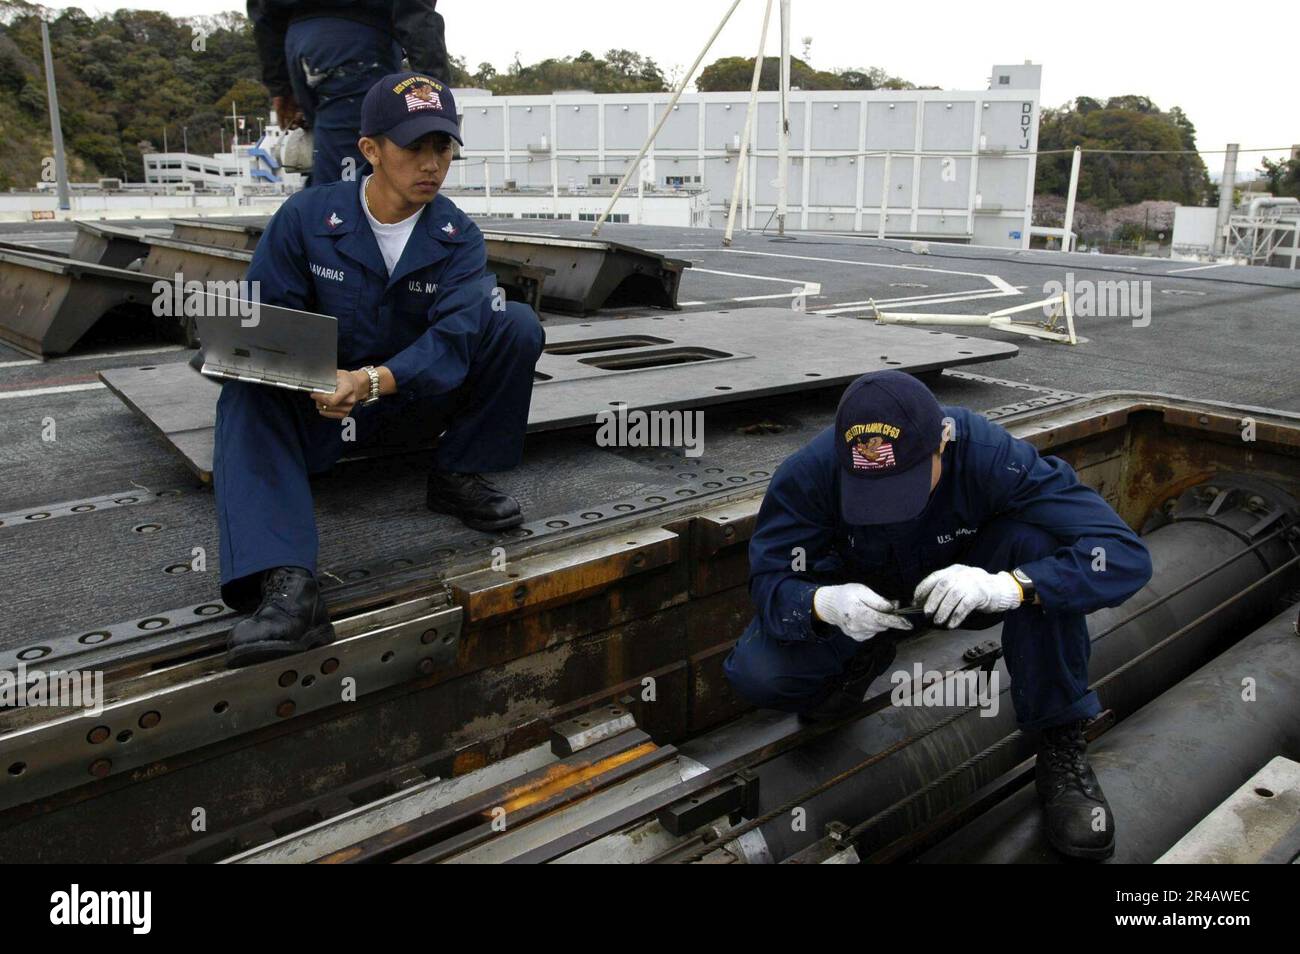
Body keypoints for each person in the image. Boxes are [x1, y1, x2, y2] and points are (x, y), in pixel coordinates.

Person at [722, 370, 1153, 860]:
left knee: (1041, 549)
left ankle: (1060, 739)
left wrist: (1010, 587)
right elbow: (770, 579)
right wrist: (824, 605)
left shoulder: (992, 456)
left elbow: (1122, 556)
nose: (887, 510)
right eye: (871, 494)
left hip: (966, 587)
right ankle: (860, 657)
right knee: (758, 673)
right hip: (868, 600)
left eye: (902, 488)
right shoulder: (810, 473)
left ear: (944, 441)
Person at [212, 72, 544, 669]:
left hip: (409, 407)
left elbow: (456, 336)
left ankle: (457, 473)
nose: (431, 163)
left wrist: (369, 382)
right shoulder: (306, 218)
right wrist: (316, 381)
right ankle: (287, 585)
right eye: (414, 146)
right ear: (369, 150)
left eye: (442, 147)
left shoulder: (457, 236)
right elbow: (265, 326)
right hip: (319, 413)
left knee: (515, 324)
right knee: (244, 386)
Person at [247, 0, 451, 185]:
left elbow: (261, 7)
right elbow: (415, 10)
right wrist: (435, 92)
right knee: (354, 182)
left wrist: (279, 83)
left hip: (299, 41)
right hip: (357, 44)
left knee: (333, 166)